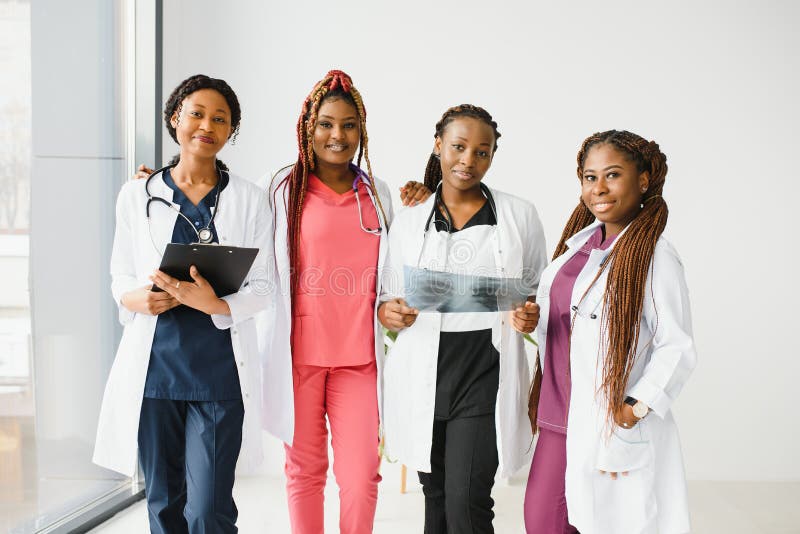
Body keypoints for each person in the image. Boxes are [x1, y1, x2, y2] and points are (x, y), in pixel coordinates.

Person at [93, 74, 276, 533]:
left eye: (220, 119)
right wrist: (136, 300)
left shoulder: (250, 200)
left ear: (231, 131)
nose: (206, 126)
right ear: (175, 118)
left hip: (218, 374)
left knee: (208, 510)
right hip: (155, 372)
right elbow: (118, 275)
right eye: (195, 113)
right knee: (164, 504)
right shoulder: (137, 196)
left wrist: (215, 304)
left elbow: (265, 286)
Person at [268, 69, 432, 534]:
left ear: (362, 130)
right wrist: (161, 178)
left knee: (361, 476)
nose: (337, 135)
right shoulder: (282, 188)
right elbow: (233, 212)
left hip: (358, 359)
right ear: (308, 127)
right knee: (304, 472)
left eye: (349, 125)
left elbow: (394, 272)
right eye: (326, 123)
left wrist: (418, 204)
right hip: (298, 355)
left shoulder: (377, 194)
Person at [378, 104, 547, 533]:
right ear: (438, 146)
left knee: (466, 503)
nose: (469, 160)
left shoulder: (519, 215)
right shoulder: (410, 221)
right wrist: (389, 312)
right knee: (435, 498)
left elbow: (537, 292)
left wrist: (529, 314)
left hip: (484, 367)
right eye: (458, 147)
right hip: (426, 370)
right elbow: (386, 296)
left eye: (482, 151)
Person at [524, 130, 697, 534]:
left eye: (612, 175)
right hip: (557, 416)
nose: (598, 188)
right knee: (542, 523)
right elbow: (567, 327)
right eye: (589, 177)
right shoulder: (576, 249)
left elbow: (677, 344)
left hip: (608, 422)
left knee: (610, 524)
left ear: (643, 181)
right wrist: (530, 323)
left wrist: (637, 406)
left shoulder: (653, 254)